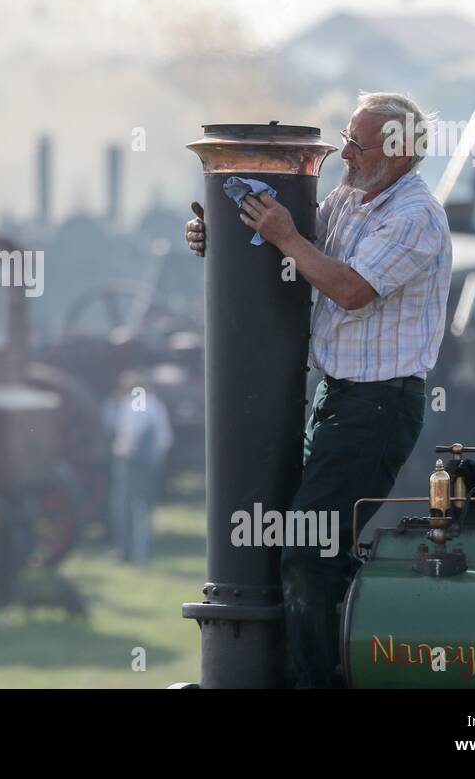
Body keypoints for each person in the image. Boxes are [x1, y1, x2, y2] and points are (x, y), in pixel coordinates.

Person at [184, 92, 452, 687]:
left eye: (357, 142)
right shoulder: (350, 201)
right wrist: (220, 232)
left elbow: (351, 288)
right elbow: (293, 244)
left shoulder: (416, 216)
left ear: (399, 152)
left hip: (379, 404)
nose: (346, 151)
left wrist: (282, 236)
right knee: (310, 542)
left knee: (311, 549)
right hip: (341, 399)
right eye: (347, 138)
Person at [103, 369, 174, 564]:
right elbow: (165, 439)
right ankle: (141, 550)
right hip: (150, 461)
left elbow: (132, 430)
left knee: (127, 506)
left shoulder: (138, 400)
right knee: (143, 507)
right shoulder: (155, 403)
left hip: (134, 461)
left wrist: (123, 450)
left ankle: (129, 552)